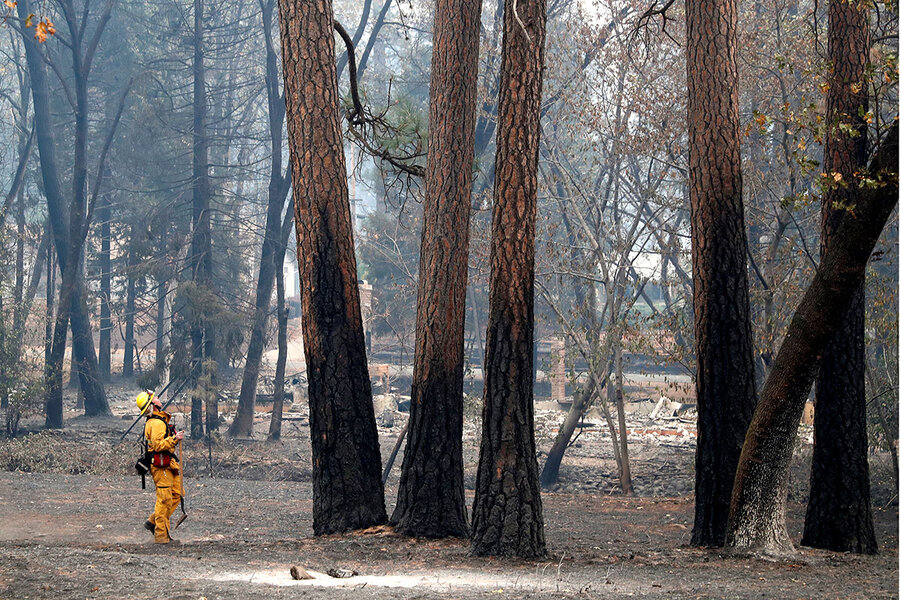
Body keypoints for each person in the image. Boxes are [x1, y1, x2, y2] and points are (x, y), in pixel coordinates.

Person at [136, 391, 184, 544]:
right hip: (161, 466)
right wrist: (174, 439)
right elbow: (158, 445)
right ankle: (161, 537)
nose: (158, 399)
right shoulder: (156, 423)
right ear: (152, 405)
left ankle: (153, 521)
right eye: (154, 398)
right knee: (164, 500)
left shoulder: (159, 420)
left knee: (177, 494)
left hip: (168, 464)